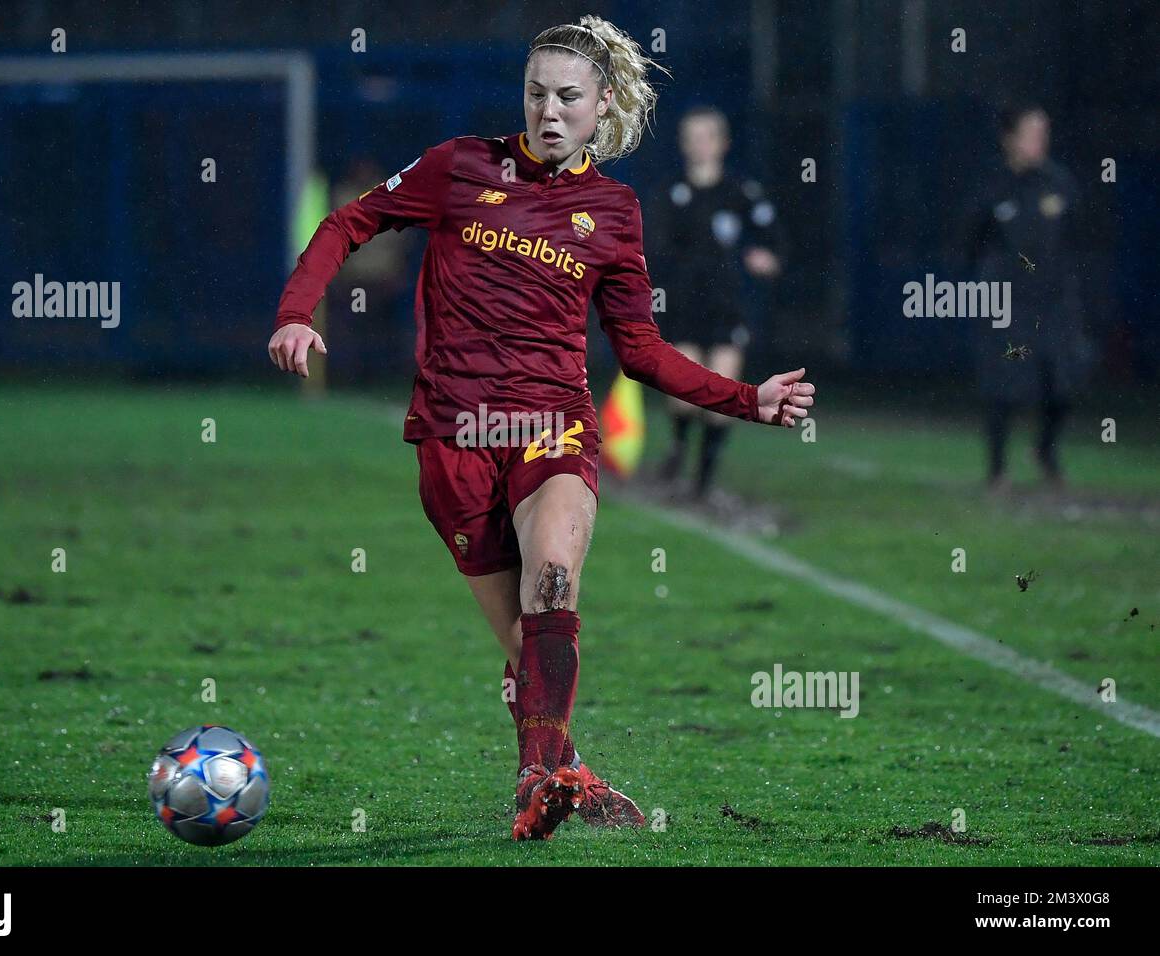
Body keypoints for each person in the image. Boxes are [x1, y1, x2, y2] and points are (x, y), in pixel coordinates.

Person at [268, 15, 815, 840]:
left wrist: (748, 398)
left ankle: (534, 781)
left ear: (601, 107)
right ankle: (564, 770)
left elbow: (641, 352)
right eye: (535, 93)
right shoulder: (460, 167)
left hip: (551, 428)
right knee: (528, 652)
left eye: (568, 97)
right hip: (454, 440)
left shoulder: (614, 211)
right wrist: (296, 313)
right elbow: (351, 221)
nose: (548, 111)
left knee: (553, 578)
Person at [646, 106, 783, 506]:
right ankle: (677, 448)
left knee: (723, 394)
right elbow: (652, 250)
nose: (699, 144)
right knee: (685, 393)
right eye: (692, 136)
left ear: (723, 143)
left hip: (727, 306)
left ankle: (702, 485)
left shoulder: (742, 194)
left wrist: (766, 259)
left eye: (708, 136)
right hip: (682, 306)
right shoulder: (669, 194)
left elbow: (772, 243)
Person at [962, 103, 1091, 492]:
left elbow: (1079, 238)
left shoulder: (1060, 184)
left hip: (1054, 302)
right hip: (1008, 304)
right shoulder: (992, 187)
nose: (1040, 140)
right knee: (1005, 383)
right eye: (1032, 132)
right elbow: (970, 243)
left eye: (1044, 132)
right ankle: (997, 469)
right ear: (1010, 138)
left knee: (1066, 382)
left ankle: (1045, 450)